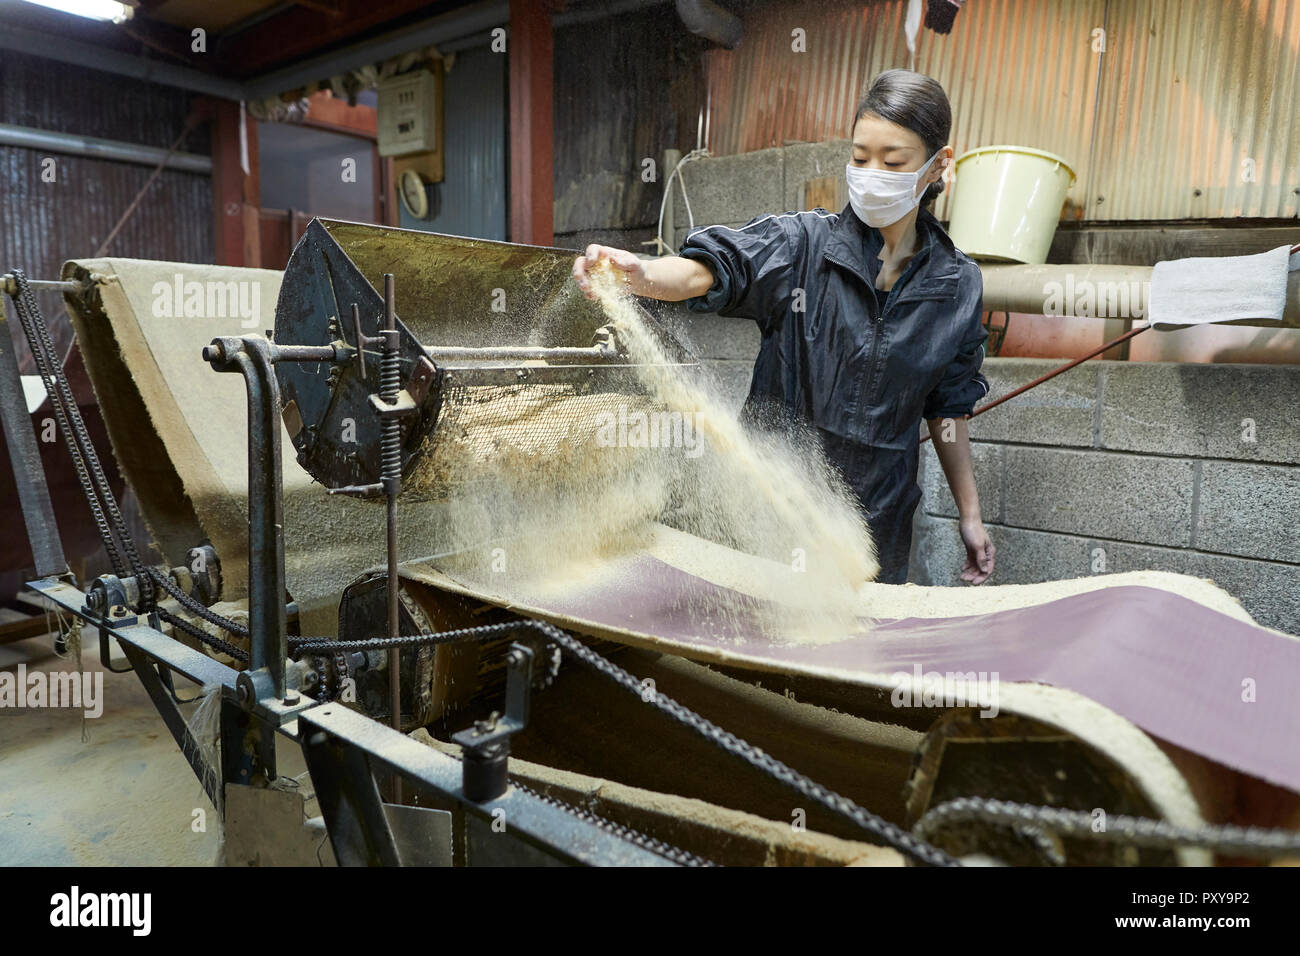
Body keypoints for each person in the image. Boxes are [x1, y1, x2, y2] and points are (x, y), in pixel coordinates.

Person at [572, 69, 995, 586]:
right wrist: (643, 274)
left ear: (937, 166)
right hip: (764, 515)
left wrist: (970, 517)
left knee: (842, 651)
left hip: (874, 525)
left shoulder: (957, 284)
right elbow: (713, 270)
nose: (871, 172)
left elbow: (948, 408)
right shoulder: (803, 247)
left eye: (894, 161)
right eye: (860, 158)